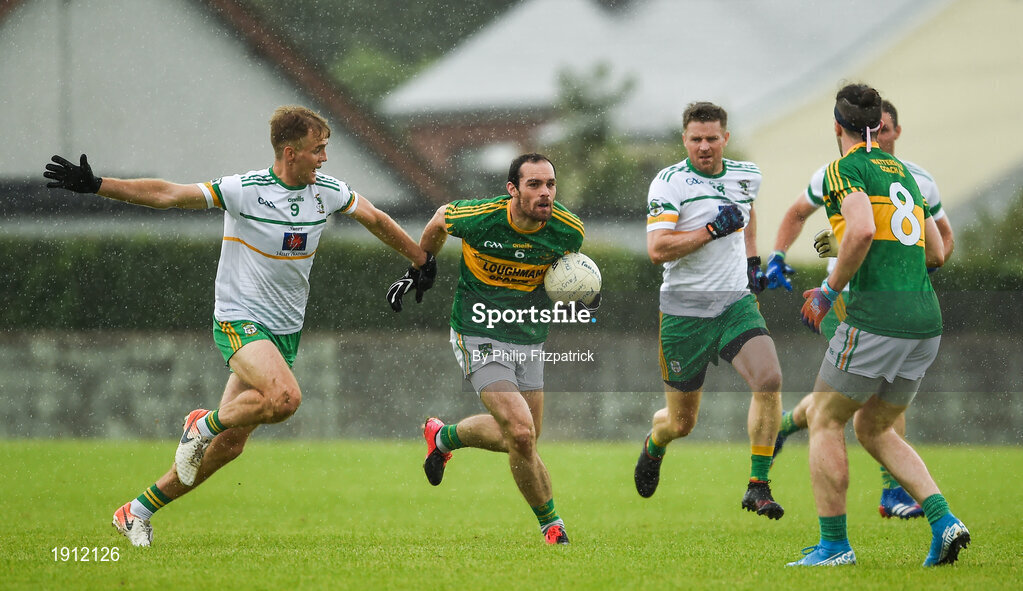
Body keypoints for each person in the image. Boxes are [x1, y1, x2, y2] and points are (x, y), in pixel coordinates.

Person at [44, 105, 436, 547]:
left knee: (229, 447)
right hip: (239, 320)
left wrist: (421, 260)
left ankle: (136, 510)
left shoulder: (327, 192)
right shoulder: (245, 189)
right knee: (285, 398)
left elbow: (377, 219)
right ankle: (202, 424)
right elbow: (167, 194)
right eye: (317, 150)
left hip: (284, 332)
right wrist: (98, 185)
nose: (324, 159)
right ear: (290, 152)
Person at [786, 83, 969, 567]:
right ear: (876, 125)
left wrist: (828, 291)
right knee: (875, 425)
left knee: (825, 420)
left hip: (877, 319)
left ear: (836, 126)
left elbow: (862, 230)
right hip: (925, 320)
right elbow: (936, 251)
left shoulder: (844, 170)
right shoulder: (904, 173)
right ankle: (944, 519)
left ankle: (834, 547)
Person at [395, 153, 592, 545]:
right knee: (520, 433)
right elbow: (438, 220)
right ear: (512, 190)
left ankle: (444, 437)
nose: (545, 193)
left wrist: (579, 293)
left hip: (530, 337)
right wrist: (423, 265)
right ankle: (552, 526)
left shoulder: (568, 231)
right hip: (477, 331)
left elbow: (566, 277)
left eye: (550, 184)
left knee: (525, 437)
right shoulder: (480, 216)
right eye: (534, 185)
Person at [635, 101, 785, 519]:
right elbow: (657, 249)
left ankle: (758, 485)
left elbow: (746, 215)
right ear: (684, 139)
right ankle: (655, 442)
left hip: (735, 301)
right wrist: (710, 230)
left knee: (769, 377)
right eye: (696, 139)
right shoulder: (668, 184)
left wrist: (752, 263)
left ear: (726, 138)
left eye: (712, 138)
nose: (704, 146)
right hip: (684, 313)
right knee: (682, 423)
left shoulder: (746, 175)